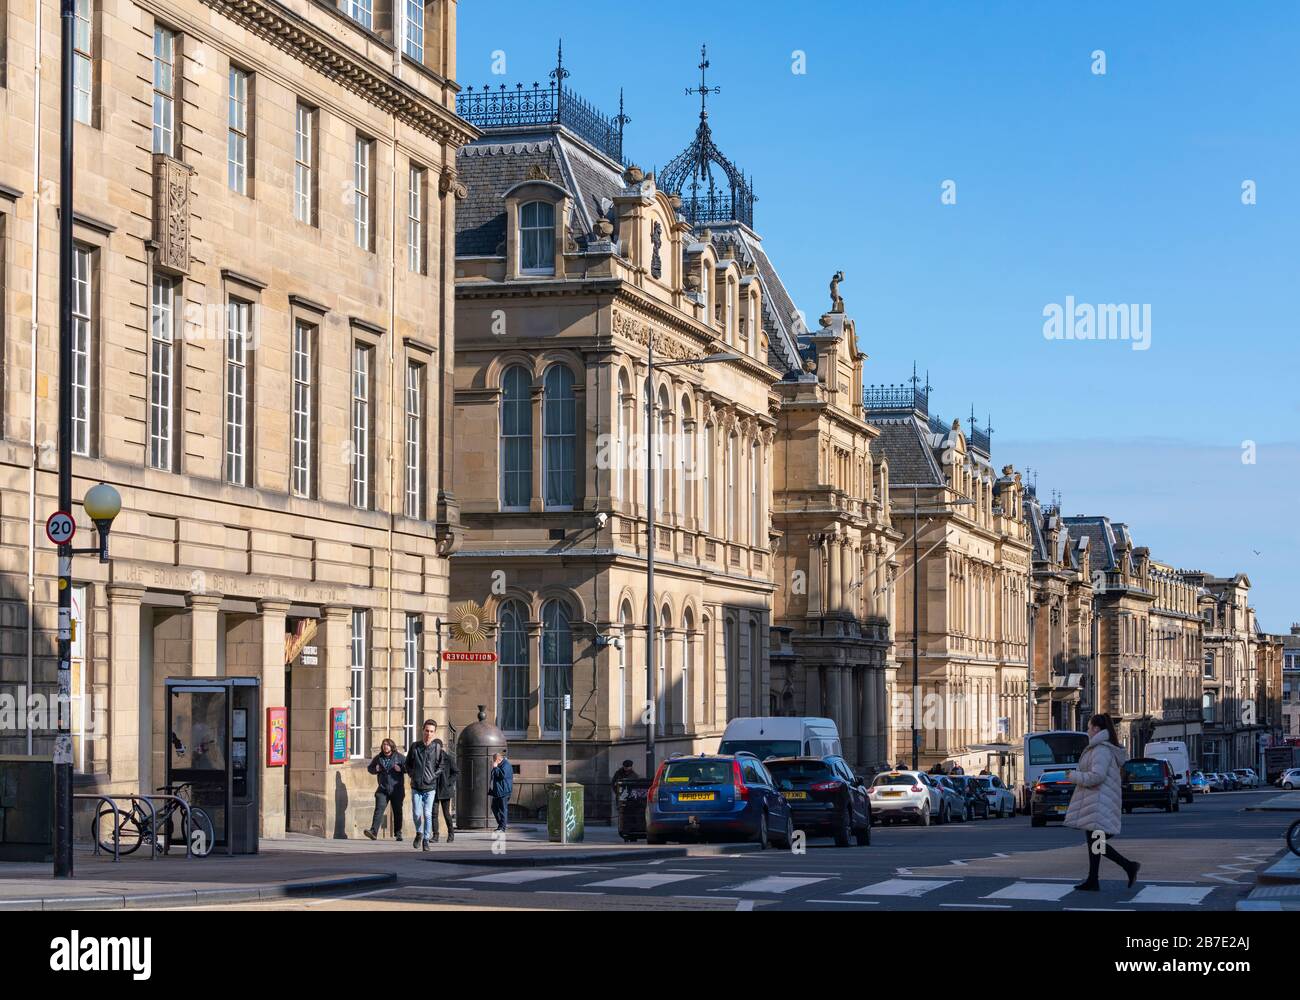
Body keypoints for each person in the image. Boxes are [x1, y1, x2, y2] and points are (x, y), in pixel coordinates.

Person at [1065, 713, 1140, 891]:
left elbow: (1097, 776)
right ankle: (1093, 879)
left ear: (1097, 729)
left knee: (1096, 843)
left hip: (1099, 801)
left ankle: (1129, 866)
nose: (1088, 730)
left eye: (1089, 727)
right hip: (1097, 801)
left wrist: (1073, 776)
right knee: (1094, 843)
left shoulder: (1101, 750)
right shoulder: (1099, 748)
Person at [406, 720, 441, 851]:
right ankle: (419, 833)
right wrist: (412, 774)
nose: (429, 733)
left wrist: (433, 775)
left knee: (427, 814)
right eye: (427, 730)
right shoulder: (415, 746)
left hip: (430, 787)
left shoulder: (437, 748)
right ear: (423, 730)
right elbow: (407, 763)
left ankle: (426, 840)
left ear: (434, 733)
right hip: (416, 786)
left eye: (431, 731)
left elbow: (441, 765)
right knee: (416, 814)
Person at [363, 739, 405, 842]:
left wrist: (401, 769)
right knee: (379, 810)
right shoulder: (379, 758)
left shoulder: (399, 757)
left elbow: (410, 767)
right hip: (383, 788)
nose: (385, 747)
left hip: (397, 788)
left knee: (397, 811)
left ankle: (398, 833)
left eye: (387, 745)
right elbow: (370, 768)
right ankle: (373, 832)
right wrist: (375, 769)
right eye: (384, 745)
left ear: (392, 746)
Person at [429, 736, 459, 843]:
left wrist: (448, 782)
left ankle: (451, 833)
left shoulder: (448, 758)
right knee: (434, 813)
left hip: (445, 790)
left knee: (446, 814)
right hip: (433, 789)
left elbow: (456, 772)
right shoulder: (430, 759)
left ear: (441, 748)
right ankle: (435, 835)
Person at [489, 751, 513, 833]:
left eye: (494, 760)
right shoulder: (500, 765)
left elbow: (502, 775)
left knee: (503, 809)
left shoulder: (506, 765)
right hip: (497, 791)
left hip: (503, 791)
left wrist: (495, 767)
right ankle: (501, 825)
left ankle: (502, 827)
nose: (493, 762)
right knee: (494, 807)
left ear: (499, 759)